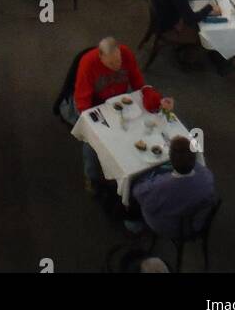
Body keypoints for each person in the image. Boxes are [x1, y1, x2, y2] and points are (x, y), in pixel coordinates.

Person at [61, 37, 174, 195]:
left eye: (119, 61)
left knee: (141, 123)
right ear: (101, 57)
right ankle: (91, 177)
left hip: (118, 99)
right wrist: (94, 128)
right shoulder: (87, 63)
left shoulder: (126, 54)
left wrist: (156, 99)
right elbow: (82, 102)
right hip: (96, 104)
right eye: (112, 64)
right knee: (92, 143)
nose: (118, 66)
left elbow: (138, 83)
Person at [126, 136, 217, 239]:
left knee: (134, 183)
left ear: (171, 159)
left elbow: (138, 193)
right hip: (197, 221)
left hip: (170, 227)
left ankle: (134, 225)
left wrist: (148, 176)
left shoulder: (160, 186)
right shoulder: (207, 175)